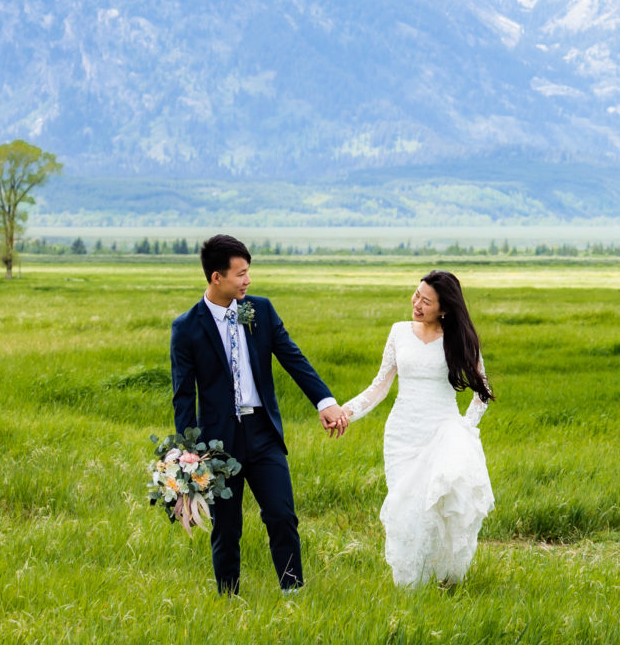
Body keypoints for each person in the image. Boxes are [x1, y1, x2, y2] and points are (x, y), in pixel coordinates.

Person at [169, 235, 349, 593]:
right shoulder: (187, 327)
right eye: (241, 274)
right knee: (227, 527)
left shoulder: (260, 310)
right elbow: (183, 395)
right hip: (218, 443)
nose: (248, 281)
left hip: (263, 432)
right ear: (216, 277)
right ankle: (228, 598)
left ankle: (292, 591)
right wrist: (189, 450)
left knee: (282, 516)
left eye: (248, 272)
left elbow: (291, 357)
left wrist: (325, 401)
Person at [340, 269, 494, 587]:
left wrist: (463, 431)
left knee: (437, 511)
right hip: (401, 436)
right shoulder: (398, 332)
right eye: (416, 295)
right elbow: (379, 387)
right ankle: (410, 587)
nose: (417, 303)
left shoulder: (460, 338)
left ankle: (444, 580)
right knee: (406, 510)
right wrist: (345, 412)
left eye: (426, 301)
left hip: (443, 435)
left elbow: (483, 393)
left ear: (445, 308)